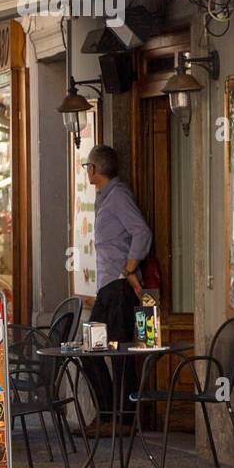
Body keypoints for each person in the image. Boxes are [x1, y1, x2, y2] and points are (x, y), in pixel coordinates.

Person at [84, 144, 153, 415]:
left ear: (94, 169)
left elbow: (141, 231)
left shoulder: (118, 196)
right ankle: (109, 414)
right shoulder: (105, 197)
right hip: (107, 286)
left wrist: (130, 266)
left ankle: (122, 418)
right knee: (91, 352)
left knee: (119, 354)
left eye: (87, 166)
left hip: (119, 286)